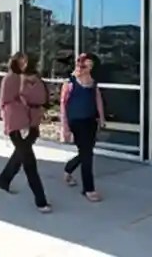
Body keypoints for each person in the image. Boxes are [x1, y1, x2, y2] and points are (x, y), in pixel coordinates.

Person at [0, 51, 51, 213]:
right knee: (29, 162)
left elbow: (42, 99)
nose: (23, 64)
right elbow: (6, 103)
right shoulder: (11, 78)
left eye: (26, 61)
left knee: (20, 155)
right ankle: (41, 200)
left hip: (33, 124)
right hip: (17, 124)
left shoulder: (36, 78)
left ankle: (4, 179)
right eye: (20, 61)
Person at [60, 52, 106, 202]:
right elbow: (63, 105)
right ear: (81, 64)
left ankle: (69, 168)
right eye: (87, 65)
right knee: (87, 154)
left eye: (91, 66)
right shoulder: (70, 82)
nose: (89, 68)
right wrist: (65, 127)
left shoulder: (92, 82)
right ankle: (89, 189)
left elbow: (98, 100)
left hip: (90, 121)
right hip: (76, 122)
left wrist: (102, 118)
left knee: (86, 152)